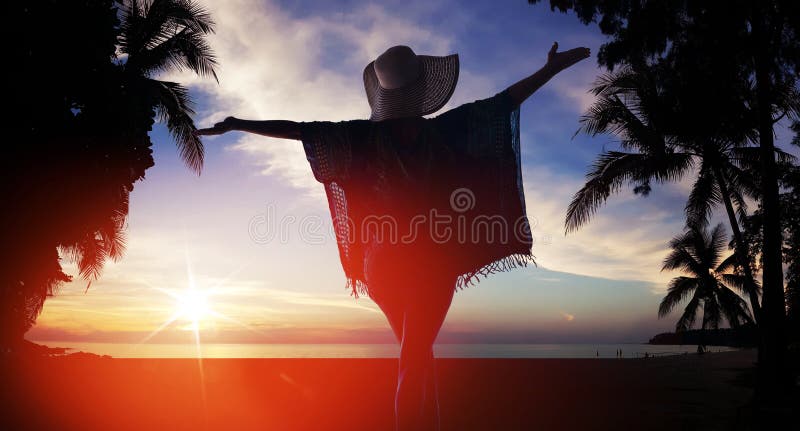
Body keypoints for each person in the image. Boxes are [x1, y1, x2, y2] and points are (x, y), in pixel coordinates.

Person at [197, 42, 590, 431]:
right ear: (421, 92)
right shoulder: (446, 131)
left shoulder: (362, 139)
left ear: (384, 96)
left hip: (380, 267)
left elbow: (300, 131)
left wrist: (237, 124)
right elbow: (503, 103)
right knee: (414, 359)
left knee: (418, 355)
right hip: (433, 265)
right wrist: (549, 70)